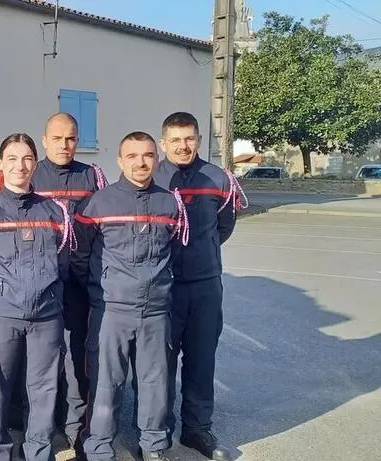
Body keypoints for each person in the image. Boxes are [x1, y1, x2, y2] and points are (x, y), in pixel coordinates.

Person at [73, 131, 188, 461]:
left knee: (155, 382)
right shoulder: (98, 203)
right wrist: (101, 289)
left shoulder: (170, 203)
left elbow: (177, 252)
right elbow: (80, 255)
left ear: (156, 159)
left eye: (148, 155)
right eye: (133, 156)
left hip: (155, 310)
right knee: (107, 382)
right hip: (112, 309)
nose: (141, 162)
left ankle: (152, 445)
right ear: (121, 161)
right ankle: (99, 447)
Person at [0, 133, 73, 461]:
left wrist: (47, 294)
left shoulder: (54, 212)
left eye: (26, 159)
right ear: (0, 164)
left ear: (34, 164)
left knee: (43, 391)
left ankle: (38, 452)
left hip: (46, 318)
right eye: (12, 159)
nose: (19, 166)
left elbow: (63, 262)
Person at [153, 112, 243, 461]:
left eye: (189, 138)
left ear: (199, 140)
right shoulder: (152, 175)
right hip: (163, 285)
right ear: (163, 143)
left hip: (205, 284)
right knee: (159, 362)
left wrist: (200, 254)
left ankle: (197, 429)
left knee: (202, 359)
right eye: (175, 140)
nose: (182, 146)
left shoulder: (218, 178)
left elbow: (224, 226)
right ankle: (156, 433)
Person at [30, 112, 107, 456]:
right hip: (42, 282)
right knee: (43, 360)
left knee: (78, 359)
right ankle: (42, 428)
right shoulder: (31, 175)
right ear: (44, 140)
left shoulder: (92, 176)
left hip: (79, 282)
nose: (64, 144)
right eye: (57, 138)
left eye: (71, 138)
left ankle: (77, 430)